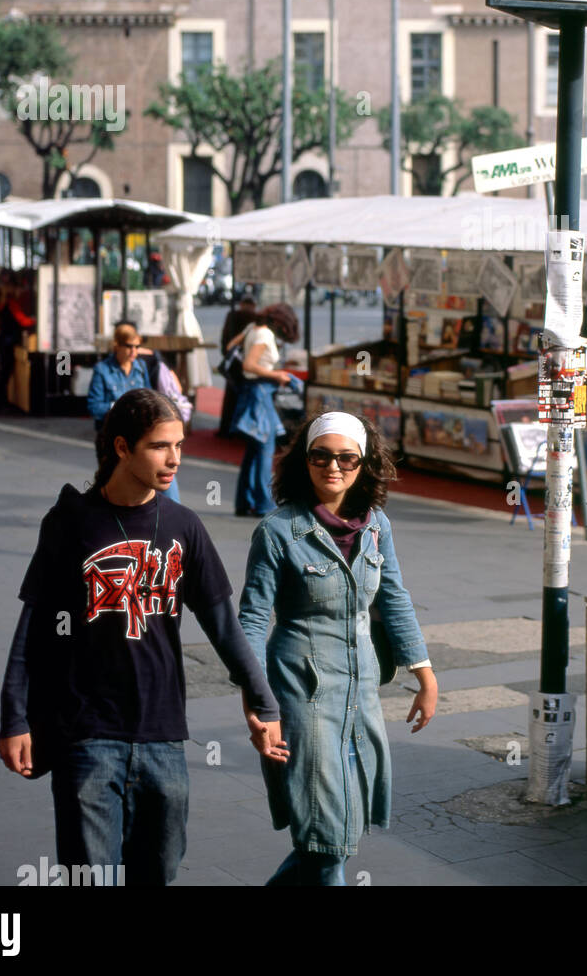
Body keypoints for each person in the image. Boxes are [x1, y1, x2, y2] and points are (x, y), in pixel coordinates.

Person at [0, 388, 287, 885]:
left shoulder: (184, 526)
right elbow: (35, 628)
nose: (174, 459)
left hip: (163, 736)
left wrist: (265, 704)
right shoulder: (71, 522)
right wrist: (13, 716)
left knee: (159, 871)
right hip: (86, 735)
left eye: (179, 446)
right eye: (159, 446)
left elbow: (224, 627)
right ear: (122, 447)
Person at [238, 410, 436, 886]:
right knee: (325, 838)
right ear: (303, 462)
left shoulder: (375, 526)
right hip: (302, 695)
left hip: (360, 695)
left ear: (363, 464)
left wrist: (425, 674)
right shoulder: (278, 531)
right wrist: (257, 706)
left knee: (334, 837)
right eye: (320, 456)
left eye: (346, 458)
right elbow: (251, 620)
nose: (333, 467)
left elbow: (394, 598)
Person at [88, 321, 183, 502]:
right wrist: (121, 407)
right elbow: (94, 407)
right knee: (114, 491)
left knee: (164, 485)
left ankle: (172, 520)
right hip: (110, 439)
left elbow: (150, 401)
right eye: (129, 346)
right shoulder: (102, 370)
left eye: (137, 346)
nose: (134, 351)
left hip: (143, 438)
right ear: (117, 345)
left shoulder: (140, 367)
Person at [231, 303, 302, 518]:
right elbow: (249, 365)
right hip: (260, 393)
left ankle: (244, 502)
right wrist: (276, 375)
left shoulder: (251, 328)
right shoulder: (264, 335)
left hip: (251, 391)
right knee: (264, 449)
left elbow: (230, 348)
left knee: (253, 450)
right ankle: (263, 503)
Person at [0, 276, 36, 414]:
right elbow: (23, 321)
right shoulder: (12, 304)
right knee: (3, 373)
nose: (21, 290)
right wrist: (35, 320)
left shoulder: (4, 303)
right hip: (7, 341)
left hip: (3, 340)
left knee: (0, 372)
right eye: (19, 288)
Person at [216, 294, 257, 440]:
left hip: (233, 361)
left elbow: (225, 338)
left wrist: (226, 353)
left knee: (231, 397)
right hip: (247, 362)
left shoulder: (233, 315)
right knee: (245, 397)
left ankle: (227, 429)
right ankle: (240, 430)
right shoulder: (254, 318)